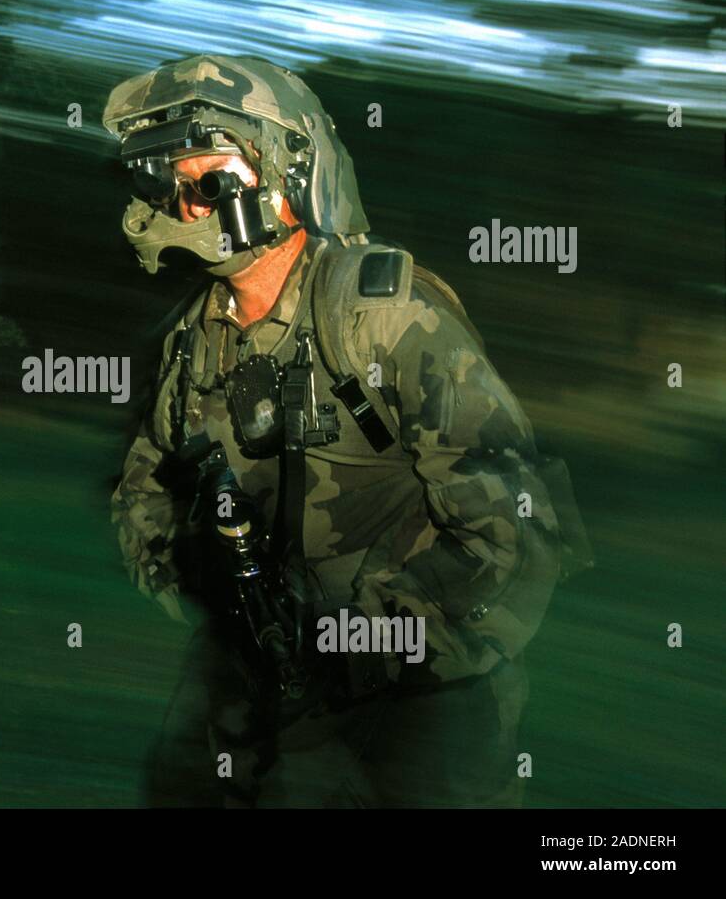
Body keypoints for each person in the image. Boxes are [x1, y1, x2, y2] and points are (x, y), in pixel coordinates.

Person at [107, 54, 590, 807]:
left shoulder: (383, 320)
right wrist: (215, 593)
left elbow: (516, 536)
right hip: (253, 683)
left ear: (292, 180)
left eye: (213, 183)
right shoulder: (197, 342)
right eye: (170, 185)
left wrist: (357, 637)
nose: (188, 207)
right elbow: (145, 495)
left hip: (426, 698)